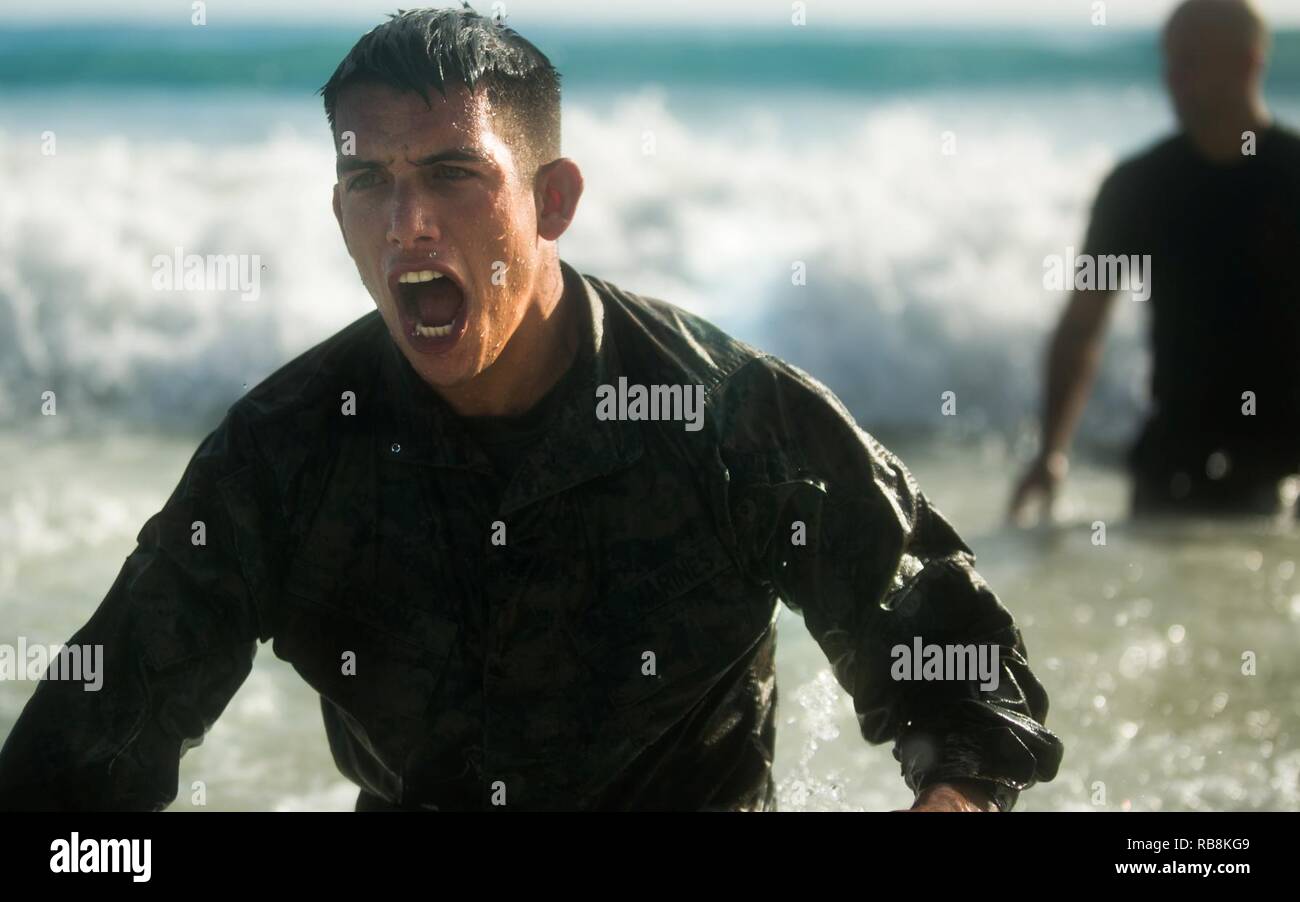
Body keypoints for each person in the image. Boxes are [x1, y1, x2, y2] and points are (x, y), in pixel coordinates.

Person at [0, 5, 1061, 812]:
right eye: (369, 181)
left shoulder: (729, 418)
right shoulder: (284, 454)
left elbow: (964, 675)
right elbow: (78, 766)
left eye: (453, 173)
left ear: (551, 200)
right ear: (337, 209)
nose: (407, 222)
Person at [1011, 0, 1300, 522]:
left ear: (1248, 62)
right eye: (1170, 61)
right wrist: (1051, 451)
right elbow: (1083, 327)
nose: (1174, 78)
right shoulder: (1137, 187)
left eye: (1191, 61)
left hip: (1288, 468)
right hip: (1173, 469)